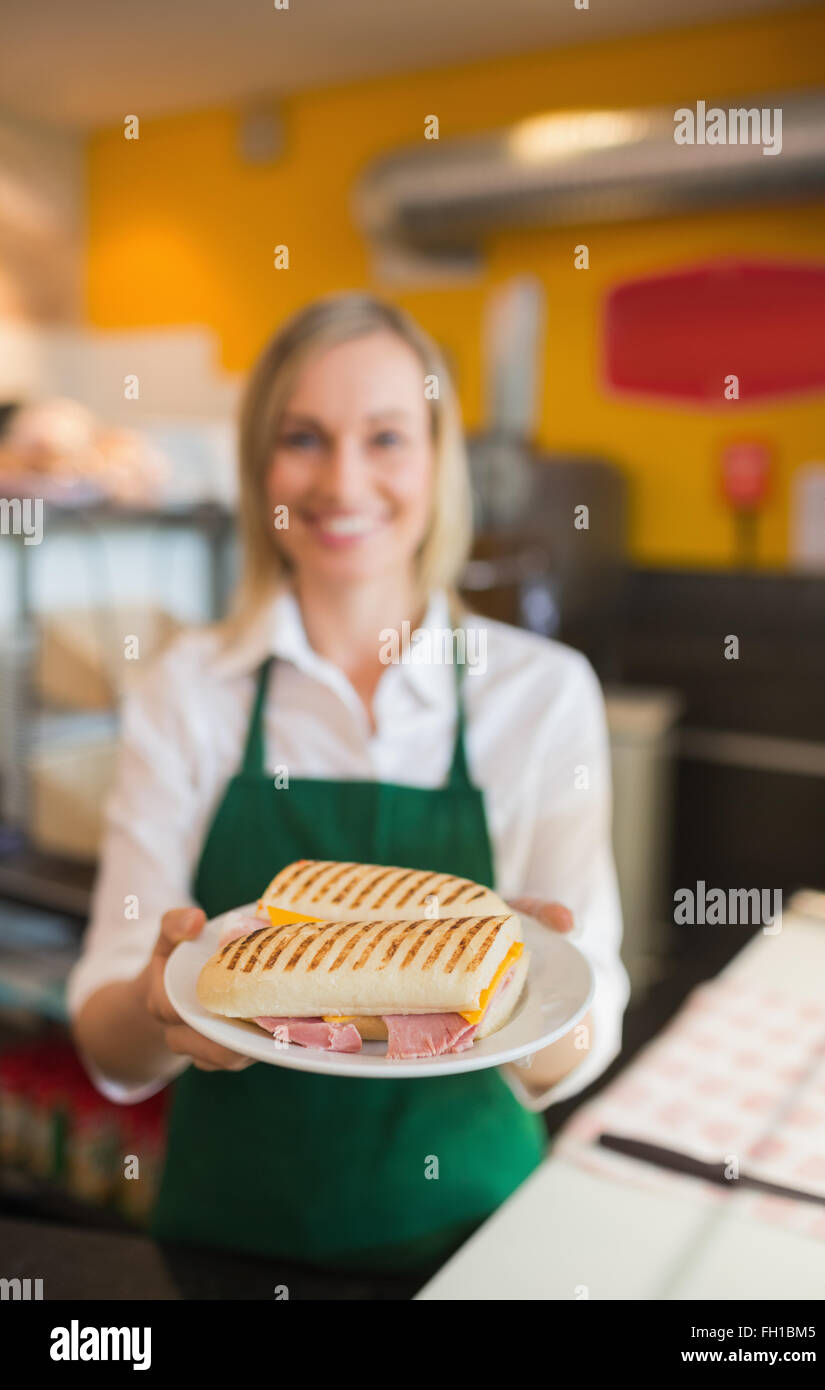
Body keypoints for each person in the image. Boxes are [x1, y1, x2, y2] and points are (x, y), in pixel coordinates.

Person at [69, 292, 629, 1278]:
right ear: (259, 467)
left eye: (384, 436)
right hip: (230, 1240)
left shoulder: (541, 694)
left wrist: (534, 995)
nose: (343, 479)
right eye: (303, 437)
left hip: (475, 1237)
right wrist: (163, 1002)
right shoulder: (185, 692)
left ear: (436, 461)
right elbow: (109, 1043)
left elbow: (583, 1033)